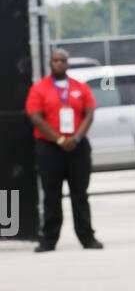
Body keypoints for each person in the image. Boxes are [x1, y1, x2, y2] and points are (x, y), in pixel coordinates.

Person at [25, 47, 102, 251]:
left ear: (67, 63)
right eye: (55, 60)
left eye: (63, 60)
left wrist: (76, 138)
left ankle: (87, 237)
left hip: (77, 147)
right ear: (50, 63)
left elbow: (89, 113)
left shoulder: (80, 87)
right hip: (50, 148)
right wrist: (59, 139)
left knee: (80, 194)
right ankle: (49, 239)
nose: (59, 63)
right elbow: (35, 117)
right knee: (52, 195)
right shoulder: (40, 88)